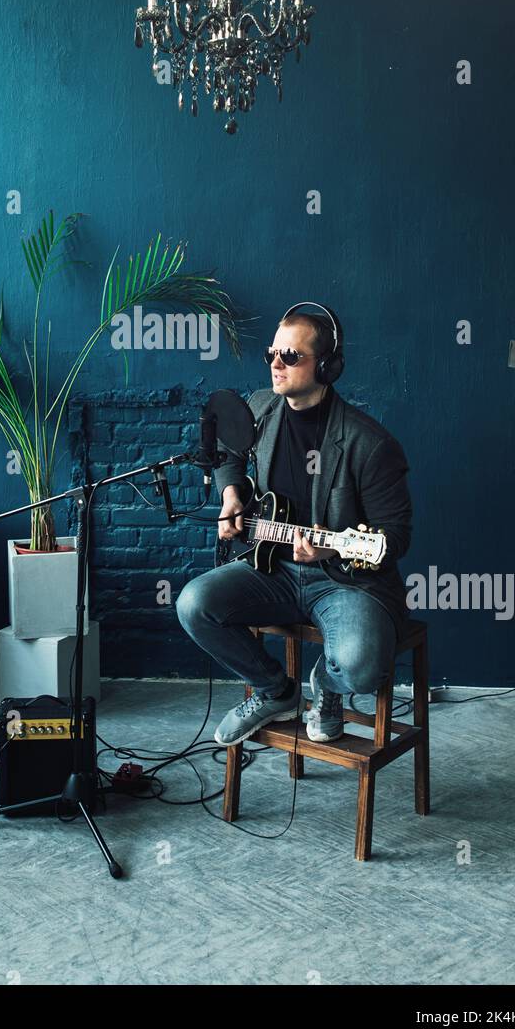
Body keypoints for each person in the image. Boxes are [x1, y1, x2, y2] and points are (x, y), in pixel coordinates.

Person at [175, 305, 413, 746]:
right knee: (194, 604)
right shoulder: (260, 408)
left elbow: (394, 538)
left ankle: (326, 684)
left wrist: (330, 549)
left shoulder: (371, 444)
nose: (275, 365)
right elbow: (229, 454)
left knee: (360, 665)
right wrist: (231, 495)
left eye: (290, 356)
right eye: (271, 354)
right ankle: (275, 691)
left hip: (344, 581)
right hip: (271, 570)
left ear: (327, 367)